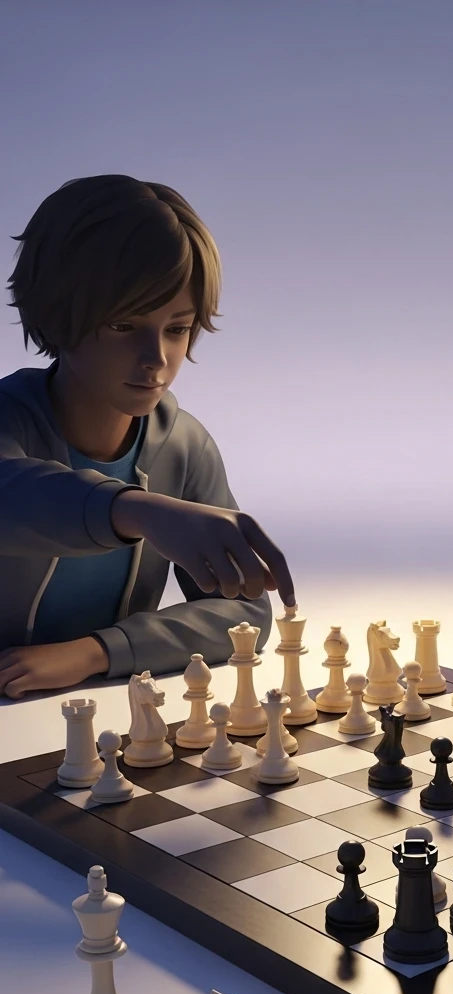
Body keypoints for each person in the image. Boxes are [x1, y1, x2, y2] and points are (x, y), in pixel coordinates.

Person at [0, 174, 295, 700]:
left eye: (177, 328)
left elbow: (244, 612)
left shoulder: (184, 445)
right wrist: (137, 510)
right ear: (57, 313)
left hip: (95, 712)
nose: (156, 359)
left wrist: (95, 652)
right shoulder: (7, 419)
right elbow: (11, 495)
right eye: (122, 326)